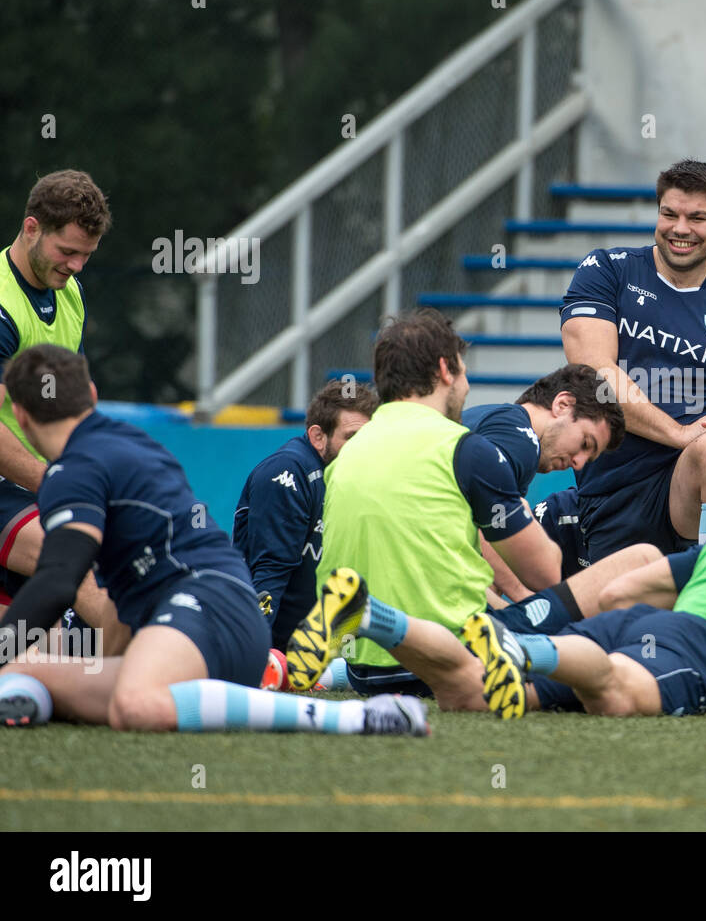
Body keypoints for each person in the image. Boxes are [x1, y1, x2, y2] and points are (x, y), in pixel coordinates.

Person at [285, 462, 706, 725]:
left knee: (469, 694)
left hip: (628, 628)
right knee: (617, 696)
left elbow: (624, 587)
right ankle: (523, 650)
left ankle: (371, 615)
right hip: (705, 648)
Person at [0, 345, 425, 736]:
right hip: (220, 618)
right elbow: (116, 596)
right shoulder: (131, 441)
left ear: (18, 414)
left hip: (204, 614)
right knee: (30, 670)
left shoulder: (71, 471)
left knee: (135, 703)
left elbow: (58, 580)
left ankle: (356, 716)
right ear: (92, 394)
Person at [285, 309, 656, 695]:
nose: (466, 385)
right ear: (447, 371)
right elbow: (543, 572)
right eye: (463, 373)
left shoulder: (350, 450)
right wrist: (527, 592)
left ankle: (335, 661)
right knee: (634, 577)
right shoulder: (480, 446)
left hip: (366, 668)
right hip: (449, 659)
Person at [560, 159, 706, 563]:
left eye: (697, 217)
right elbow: (595, 374)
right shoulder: (607, 270)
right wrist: (678, 432)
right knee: (623, 624)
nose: (680, 229)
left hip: (689, 487)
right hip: (611, 491)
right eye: (669, 214)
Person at [0, 170, 119, 645]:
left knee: (54, 645)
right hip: (11, 478)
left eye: (86, 256)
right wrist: (57, 483)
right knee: (77, 557)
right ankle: (168, 662)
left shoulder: (70, 292)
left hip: (35, 482)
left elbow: (74, 401)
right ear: (31, 228)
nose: (76, 266)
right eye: (66, 251)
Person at [233, 379, 379, 651]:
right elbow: (269, 575)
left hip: (333, 644)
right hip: (281, 643)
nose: (363, 448)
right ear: (317, 436)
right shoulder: (288, 472)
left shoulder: (360, 473)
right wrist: (253, 652)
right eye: (351, 438)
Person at [462, 364, 625, 600]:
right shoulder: (521, 437)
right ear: (563, 405)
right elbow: (486, 513)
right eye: (585, 444)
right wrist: (523, 599)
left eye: (589, 457)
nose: (579, 463)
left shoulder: (494, 420)